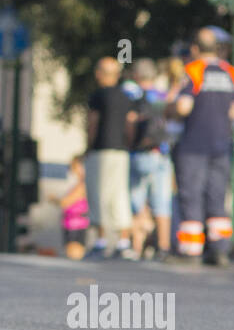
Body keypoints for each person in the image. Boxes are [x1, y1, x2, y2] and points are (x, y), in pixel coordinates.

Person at [173, 27, 234, 266]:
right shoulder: (231, 73)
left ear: (195, 49)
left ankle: (191, 249)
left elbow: (183, 106)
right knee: (216, 195)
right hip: (220, 144)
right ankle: (220, 248)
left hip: (194, 143)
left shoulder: (194, 70)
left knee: (192, 195)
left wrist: (168, 109)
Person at [85, 56, 137, 259]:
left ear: (100, 74)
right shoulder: (126, 97)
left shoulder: (98, 96)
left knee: (99, 194)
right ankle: (123, 242)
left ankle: (101, 241)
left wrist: (88, 146)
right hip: (121, 151)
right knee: (120, 194)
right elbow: (130, 124)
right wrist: (128, 144)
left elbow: (93, 122)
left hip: (101, 150)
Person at [126, 58, 174, 260]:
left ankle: (135, 247)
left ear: (136, 75)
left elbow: (129, 122)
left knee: (136, 201)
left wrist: (129, 143)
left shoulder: (134, 95)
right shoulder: (162, 96)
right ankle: (163, 246)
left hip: (140, 153)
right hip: (161, 153)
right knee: (162, 202)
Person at [49, 155, 88, 260]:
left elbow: (66, 202)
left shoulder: (83, 185)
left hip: (76, 225)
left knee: (74, 256)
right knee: (70, 255)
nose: (72, 171)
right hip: (70, 223)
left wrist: (54, 199)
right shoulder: (78, 184)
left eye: (74, 167)